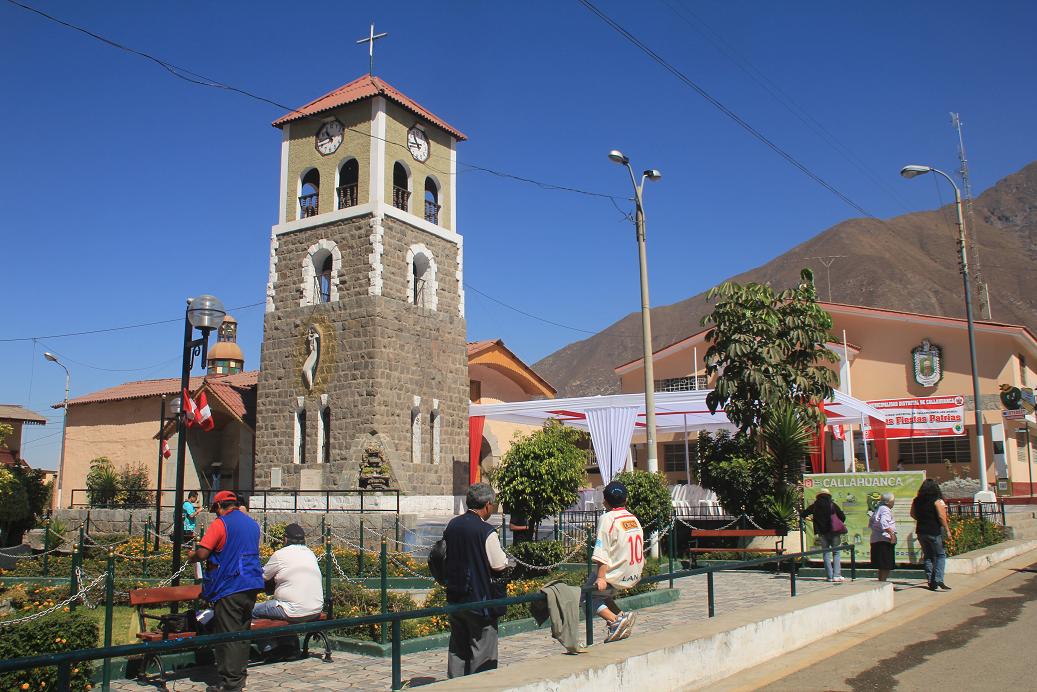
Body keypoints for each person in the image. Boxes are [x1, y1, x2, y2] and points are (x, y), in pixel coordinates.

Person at [188, 490, 264, 692]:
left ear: (220, 506)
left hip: (230, 586)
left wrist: (192, 556)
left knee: (228, 634)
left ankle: (229, 684)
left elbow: (204, 552)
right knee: (242, 632)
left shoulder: (221, 524)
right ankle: (239, 677)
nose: (216, 513)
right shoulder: (252, 524)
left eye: (216, 509)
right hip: (251, 584)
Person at [444, 483, 510, 678]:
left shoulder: (453, 525)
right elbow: (498, 564)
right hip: (480, 600)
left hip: (456, 596)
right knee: (482, 651)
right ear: (488, 505)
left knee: (458, 649)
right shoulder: (485, 531)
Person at [589, 481, 644, 643]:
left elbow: (602, 551)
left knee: (586, 598)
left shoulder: (608, 519)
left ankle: (614, 621)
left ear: (605, 501)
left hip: (617, 574)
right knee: (604, 597)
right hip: (633, 573)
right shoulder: (632, 518)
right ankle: (621, 617)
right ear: (626, 500)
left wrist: (601, 577)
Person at [252, 523, 324, 620]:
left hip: (290, 610)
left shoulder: (280, 554)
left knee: (249, 610)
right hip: (315, 609)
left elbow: (262, 576)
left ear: (285, 539)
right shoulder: (310, 553)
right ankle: (286, 635)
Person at [911, 479, 951, 591]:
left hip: (921, 531)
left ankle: (930, 580)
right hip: (934, 531)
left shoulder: (916, 500)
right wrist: (947, 530)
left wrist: (922, 519)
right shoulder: (936, 501)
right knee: (940, 555)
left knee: (928, 556)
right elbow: (941, 517)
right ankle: (938, 579)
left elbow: (912, 514)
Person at [800, 490, 847, 582]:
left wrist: (812, 519)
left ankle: (829, 576)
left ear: (818, 496)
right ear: (829, 495)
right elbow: (843, 517)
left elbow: (803, 514)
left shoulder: (815, 506)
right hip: (834, 532)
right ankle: (836, 575)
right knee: (836, 553)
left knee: (826, 553)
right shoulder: (832, 505)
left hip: (822, 533)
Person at [869, 492, 897, 582]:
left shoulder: (879, 509)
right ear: (888, 502)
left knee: (882, 565)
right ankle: (882, 582)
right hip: (884, 540)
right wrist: (891, 534)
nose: (894, 502)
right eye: (893, 501)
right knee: (885, 565)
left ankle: (881, 581)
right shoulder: (885, 510)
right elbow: (883, 522)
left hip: (876, 539)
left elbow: (871, 523)